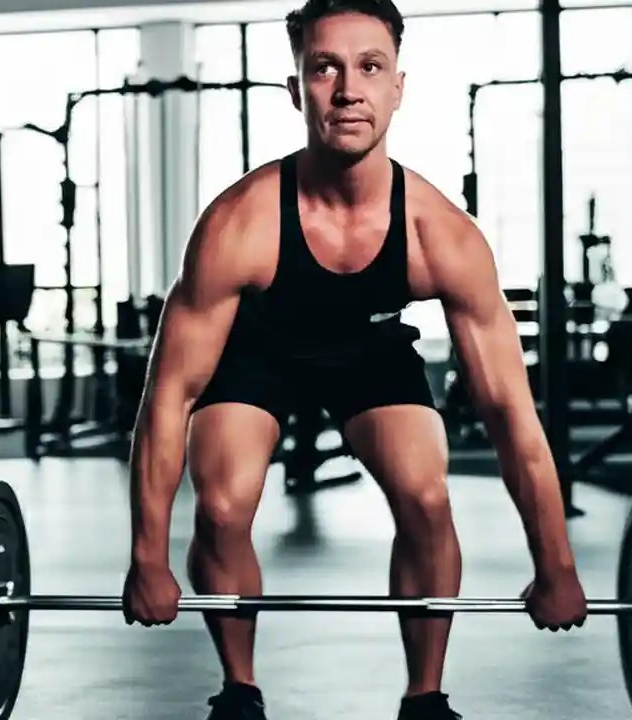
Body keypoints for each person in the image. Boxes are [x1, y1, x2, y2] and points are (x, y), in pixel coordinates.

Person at [121, 1, 588, 717]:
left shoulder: (441, 234)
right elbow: (167, 400)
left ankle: (424, 697)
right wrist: (147, 559)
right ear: (297, 88)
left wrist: (554, 566)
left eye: (370, 66)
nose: (348, 89)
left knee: (427, 496)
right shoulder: (238, 224)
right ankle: (239, 690)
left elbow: (510, 414)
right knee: (220, 506)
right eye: (324, 68)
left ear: (398, 85)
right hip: (257, 350)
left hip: (370, 349)